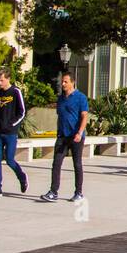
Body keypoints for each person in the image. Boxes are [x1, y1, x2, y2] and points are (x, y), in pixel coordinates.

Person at [42, 72, 88, 203]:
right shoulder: (61, 98)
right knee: (56, 163)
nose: (63, 84)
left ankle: (78, 192)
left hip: (76, 137)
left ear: (72, 82)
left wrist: (79, 133)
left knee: (77, 164)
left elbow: (84, 116)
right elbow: (60, 117)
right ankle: (53, 192)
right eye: (62, 81)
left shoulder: (80, 97)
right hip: (62, 136)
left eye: (65, 82)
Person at [0, 68, 27, 198]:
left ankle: (22, 176)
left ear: (8, 79)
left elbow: (22, 112)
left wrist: (11, 125)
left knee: (9, 160)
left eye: (2, 80)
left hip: (10, 133)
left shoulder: (16, 92)